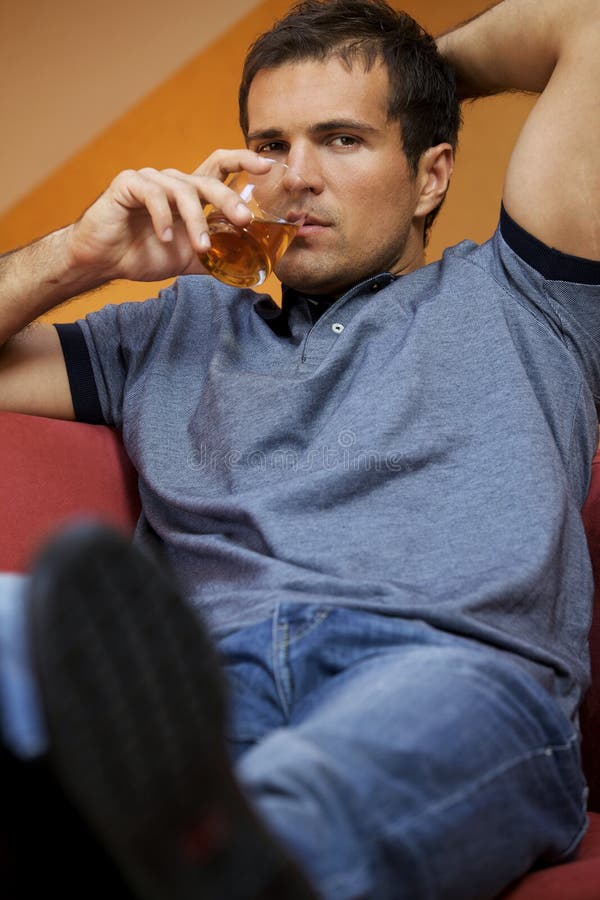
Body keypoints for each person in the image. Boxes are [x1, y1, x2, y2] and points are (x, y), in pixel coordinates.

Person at [0, 0, 599, 897]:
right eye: (271, 146)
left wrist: (426, 80)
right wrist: (80, 257)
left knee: (343, 772)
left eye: (343, 140)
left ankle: (210, 854)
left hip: (443, 678)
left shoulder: (528, 296)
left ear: (432, 176)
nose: (296, 177)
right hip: (197, 695)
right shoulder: (177, 330)